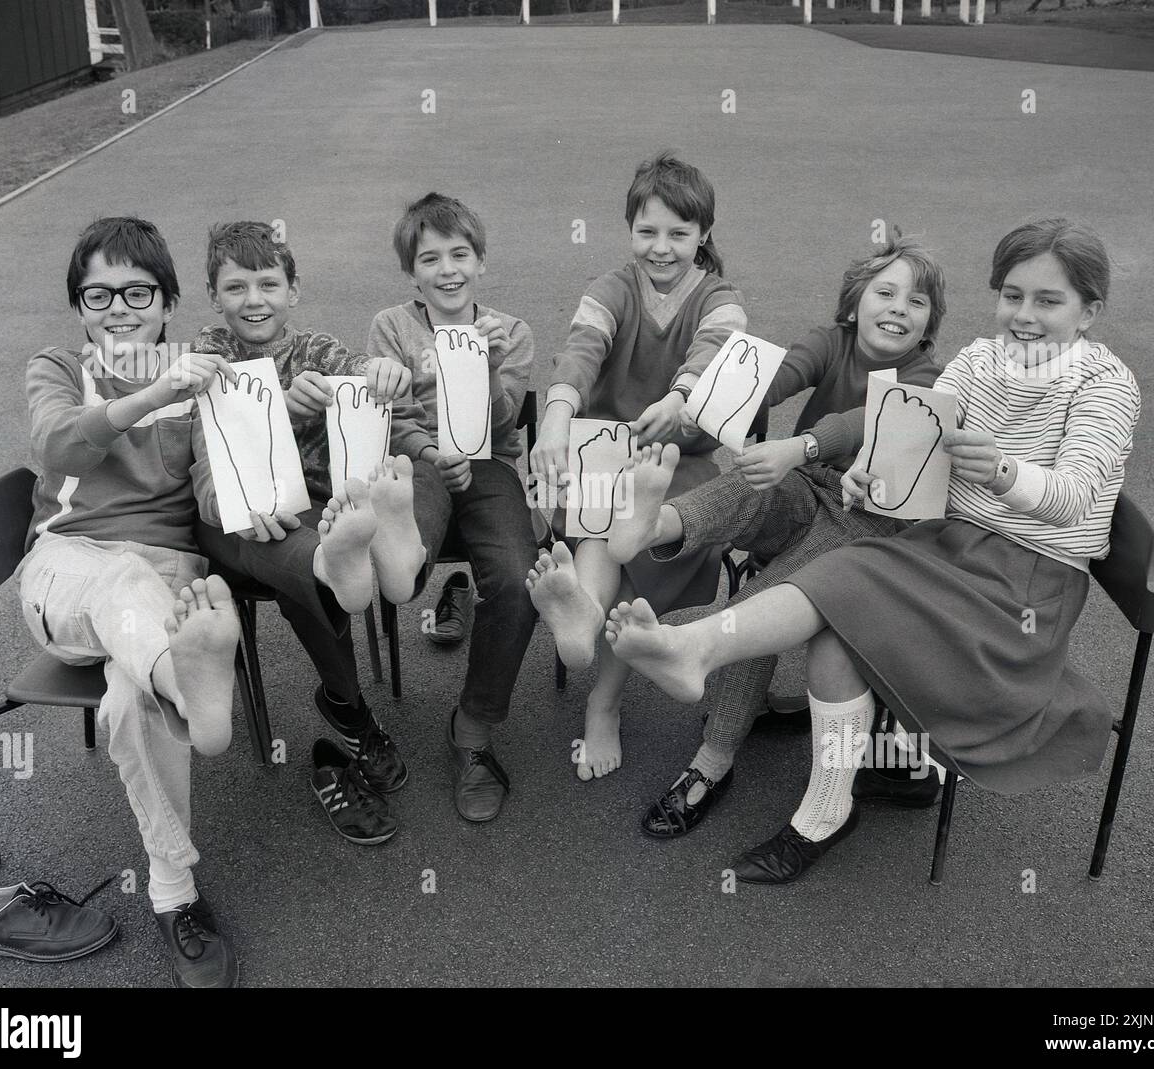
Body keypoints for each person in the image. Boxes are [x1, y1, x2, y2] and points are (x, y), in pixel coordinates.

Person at [604, 219, 1141, 884]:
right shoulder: (977, 360)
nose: (1023, 316)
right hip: (946, 548)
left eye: (1047, 301)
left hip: (1026, 582)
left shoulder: (1105, 385)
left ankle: (719, 673)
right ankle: (810, 781)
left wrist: (1003, 472)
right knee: (839, 595)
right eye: (1012, 295)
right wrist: (871, 474)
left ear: (1090, 311)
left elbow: (1078, 499)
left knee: (841, 597)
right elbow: (907, 436)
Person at [602, 237, 948, 838]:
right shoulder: (830, 341)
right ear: (855, 300)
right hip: (813, 486)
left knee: (762, 596)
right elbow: (775, 377)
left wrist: (801, 445)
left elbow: (861, 422)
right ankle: (656, 524)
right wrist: (707, 404)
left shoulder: (926, 376)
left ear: (928, 322)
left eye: (916, 302)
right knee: (749, 479)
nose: (898, 309)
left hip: (871, 524)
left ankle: (710, 765)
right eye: (885, 292)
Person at [17, 216, 242, 986]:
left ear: (167, 299)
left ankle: (173, 889)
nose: (118, 308)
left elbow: (215, 491)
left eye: (136, 292)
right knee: (122, 583)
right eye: (98, 293)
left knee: (124, 704)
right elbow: (58, 447)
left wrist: (261, 488)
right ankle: (191, 684)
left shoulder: (200, 375)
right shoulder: (55, 367)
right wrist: (155, 391)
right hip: (70, 568)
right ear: (79, 307)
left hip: (168, 573)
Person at [191, 221, 425, 846]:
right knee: (296, 546)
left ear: (294, 290)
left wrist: (381, 372)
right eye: (235, 286)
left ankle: (347, 703)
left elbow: (353, 367)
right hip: (234, 522)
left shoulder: (315, 349)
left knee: (313, 558)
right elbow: (213, 448)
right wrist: (280, 410)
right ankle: (348, 690)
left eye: (269, 283)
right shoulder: (211, 354)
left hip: (310, 521)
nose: (254, 299)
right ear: (213, 295)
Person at [526, 152, 746, 781]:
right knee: (608, 518)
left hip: (685, 460)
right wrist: (555, 418)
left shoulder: (722, 297)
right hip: (607, 449)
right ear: (629, 231)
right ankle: (585, 626)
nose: (662, 247)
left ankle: (599, 679)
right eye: (647, 231)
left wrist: (679, 399)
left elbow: (714, 352)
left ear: (704, 234)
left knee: (633, 527)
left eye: (679, 233)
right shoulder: (611, 288)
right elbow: (580, 354)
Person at [363, 192, 539, 823]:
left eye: (459, 253)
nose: (447, 269)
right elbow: (392, 414)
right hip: (422, 462)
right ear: (412, 272)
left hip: (489, 462)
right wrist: (432, 451)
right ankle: (435, 582)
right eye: (429, 258)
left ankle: (473, 729)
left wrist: (489, 368)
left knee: (518, 579)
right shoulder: (391, 326)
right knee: (402, 575)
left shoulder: (510, 331)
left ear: (481, 261)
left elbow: (504, 419)